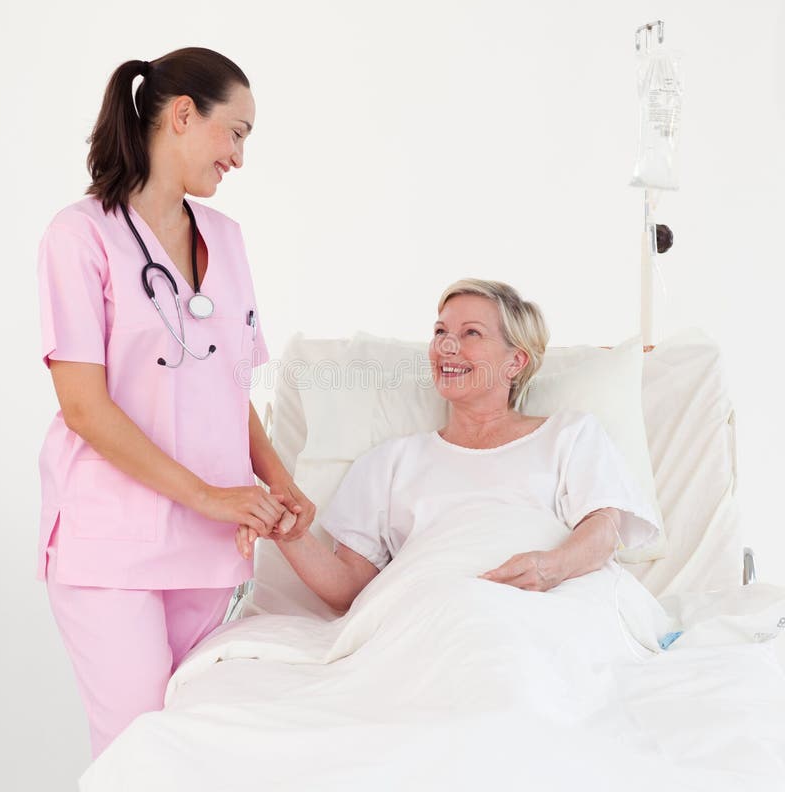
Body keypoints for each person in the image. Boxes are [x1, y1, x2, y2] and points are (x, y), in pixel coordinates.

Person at [37, 47, 315, 759]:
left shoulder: (227, 239)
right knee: (135, 750)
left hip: (207, 549)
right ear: (184, 116)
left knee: (192, 749)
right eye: (238, 133)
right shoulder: (81, 235)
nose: (241, 159)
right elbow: (84, 409)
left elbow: (226, 390)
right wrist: (212, 497)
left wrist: (280, 484)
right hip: (115, 541)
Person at [257, 278, 660, 612]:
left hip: (547, 610)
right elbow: (348, 589)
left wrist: (550, 568)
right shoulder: (389, 463)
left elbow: (603, 532)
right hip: (435, 616)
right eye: (440, 332)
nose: (447, 346)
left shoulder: (569, 436)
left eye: (471, 333)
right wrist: (291, 536)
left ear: (515, 361)